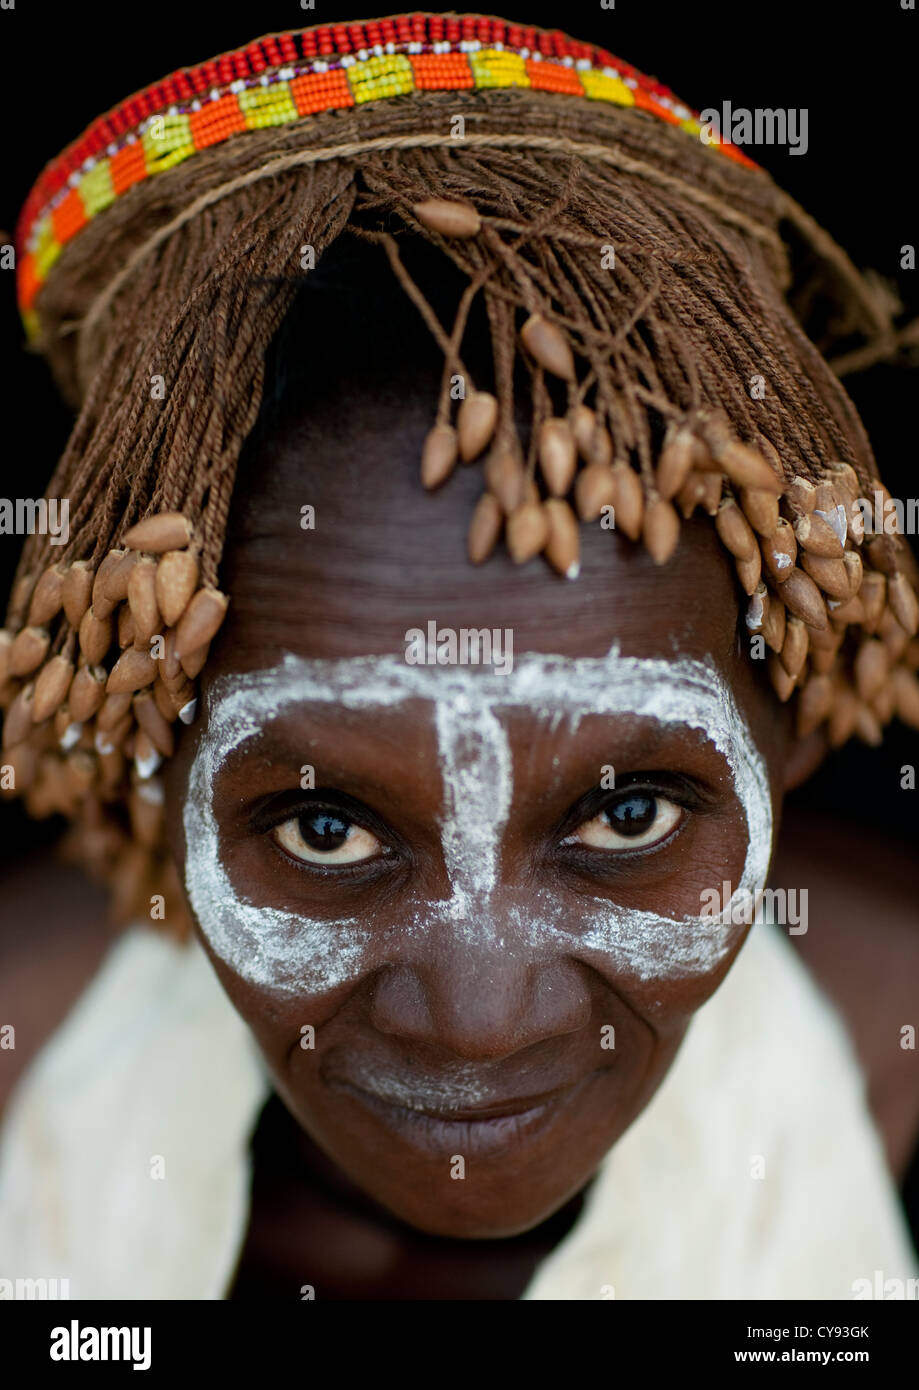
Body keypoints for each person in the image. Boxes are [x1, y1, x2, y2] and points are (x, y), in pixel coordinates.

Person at [1, 12, 917, 1300]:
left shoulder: (893, 1047)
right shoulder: (27, 1067)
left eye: (631, 812)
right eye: (325, 829)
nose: (481, 1021)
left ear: (796, 728)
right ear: (147, 758)